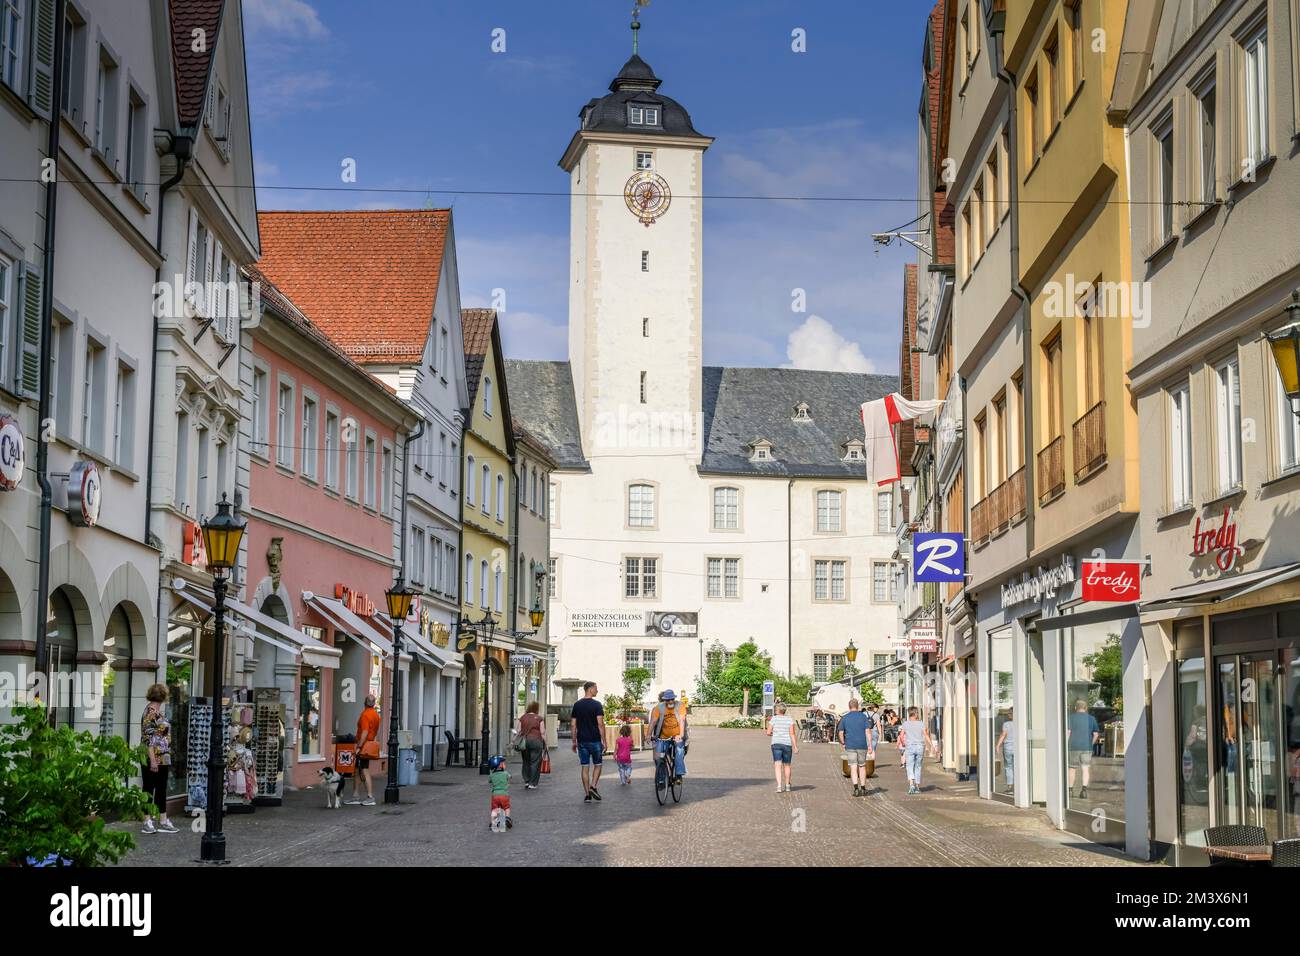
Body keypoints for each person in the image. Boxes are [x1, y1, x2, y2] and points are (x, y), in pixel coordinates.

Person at [139, 683, 178, 834]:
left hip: (163, 756)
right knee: (149, 788)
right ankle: (146, 820)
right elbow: (148, 738)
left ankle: (163, 819)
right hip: (153, 757)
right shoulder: (150, 713)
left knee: (161, 788)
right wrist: (153, 760)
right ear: (163, 696)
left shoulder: (158, 712)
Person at [570, 681, 606, 802]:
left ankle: (587, 795)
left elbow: (573, 725)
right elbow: (600, 724)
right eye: (596, 688)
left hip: (582, 741)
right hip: (595, 740)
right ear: (590, 689)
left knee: (584, 767)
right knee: (598, 765)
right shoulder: (597, 705)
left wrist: (574, 741)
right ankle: (593, 786)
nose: (597, 691)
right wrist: (604, 741)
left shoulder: (577, 705)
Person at [648, 689, 688, 782]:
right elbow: (653, 721)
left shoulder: (680, 706)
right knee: (658, 758)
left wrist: (681, 735)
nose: (670, 701)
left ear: (674, 698)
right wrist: (648, 735)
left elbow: (682, 720)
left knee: (679, 751)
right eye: (668, 700)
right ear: (664, 700)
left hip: (677, 736)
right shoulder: (659, 708)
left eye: (672, 699)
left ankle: (678, 774)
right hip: (663, 737)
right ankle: (662, 780)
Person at [347, 694, 380, 806]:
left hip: (364, 746)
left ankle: (370, 797)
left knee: (364, 770)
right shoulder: (376, 715)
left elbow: (365, 732)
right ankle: (355, 796)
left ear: (364, 703)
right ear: (374, 703)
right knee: (357, 770)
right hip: (369, 744)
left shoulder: (365, 715)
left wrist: (359, 747)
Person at [837, 698, 872, 796]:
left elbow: (841, 732)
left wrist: (843, 742)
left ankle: (856, 789)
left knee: (853, 767)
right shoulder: (863, 717)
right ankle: (863, 788)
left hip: (850, 745)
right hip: (862, 745)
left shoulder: (845, 718)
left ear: (849, 707)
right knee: (862, 766)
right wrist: (870, 745)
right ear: (857, 706)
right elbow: (868, 731)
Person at [899, 706, 938, 794]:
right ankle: (917, 786)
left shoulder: (905, 724)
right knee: (918, 766)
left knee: (909, 766)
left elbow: (901, 736)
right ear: (916, 713)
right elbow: (926, 735)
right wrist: (932, 746)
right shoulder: (921, 723)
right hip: (920, 746)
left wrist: (903, 743)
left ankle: (911, 785)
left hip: (910, 747)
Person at [1067, 699, 1101, 799]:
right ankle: (1084, 791)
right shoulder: (1091, 719)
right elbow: (1095, 734)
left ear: (1075, 708)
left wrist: (1067, 744)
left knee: (1072, 768)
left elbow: (1068, 732)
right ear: (1085, 708)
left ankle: (1070, 791)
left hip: (1073, 747)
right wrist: (1091, 744)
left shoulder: (1071, 718)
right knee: (1085, 768)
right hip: (1087, 747)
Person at [766, 701, 799, 793]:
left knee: (777, 765)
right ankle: (788, 785)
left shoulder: (773, 719)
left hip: (776, 743)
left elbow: (768, 732)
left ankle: (779, 786)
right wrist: (795, 746)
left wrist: (775, 733)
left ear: (777, 710)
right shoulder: (789, 720)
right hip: (787, 744)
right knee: (787, 765)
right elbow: (792, 734)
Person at [515, 701, 546, 790]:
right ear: (536, 709)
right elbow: (542, 732)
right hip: (536, 741)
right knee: (535, 762)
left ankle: (527, 780)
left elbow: (518, 731)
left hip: (525, 742)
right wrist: (546, 743)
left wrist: (514, 741)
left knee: (526, 761)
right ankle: (533, 783)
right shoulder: (539, 718)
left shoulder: (523, 717)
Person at [487, 755, 512, 831]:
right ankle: (507, 818)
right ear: (500, 766)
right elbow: (510, 777)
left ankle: (493, 822)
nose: (505, 765)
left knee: (494, 809)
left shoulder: (492, 775)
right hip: (504, 795)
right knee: (506, 808)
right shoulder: (505, 773)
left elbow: (489, 781)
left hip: (495, 796)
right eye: (503, 763)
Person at [995, 708, 1015, 791]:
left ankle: (1010, 787)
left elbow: (1003, 734)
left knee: (1009, 766)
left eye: (1010, 713)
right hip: (1018, 748)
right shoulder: (1022, 723)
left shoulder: (1006, 724)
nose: (1008, 715)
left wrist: (998, 745)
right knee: (1018, 766)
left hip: (1008, 748)